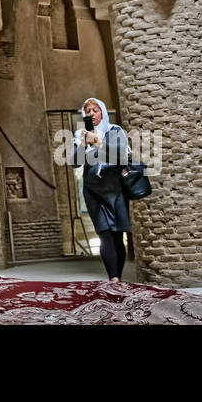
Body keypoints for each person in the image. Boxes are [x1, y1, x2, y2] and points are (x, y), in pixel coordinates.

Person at [69, 98, 133, 282]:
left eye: (95, 110)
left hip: (114, 189)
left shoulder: (114, 131)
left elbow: (121, 155)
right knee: (104, 234)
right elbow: (75, 162)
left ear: (102, 112)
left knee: (117, 234)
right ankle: (113, 279)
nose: (91, 114)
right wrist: (82, 143)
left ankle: (118, 275)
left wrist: (98, 142)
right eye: (87, 111)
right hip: (93, 190)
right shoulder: (80, 134)